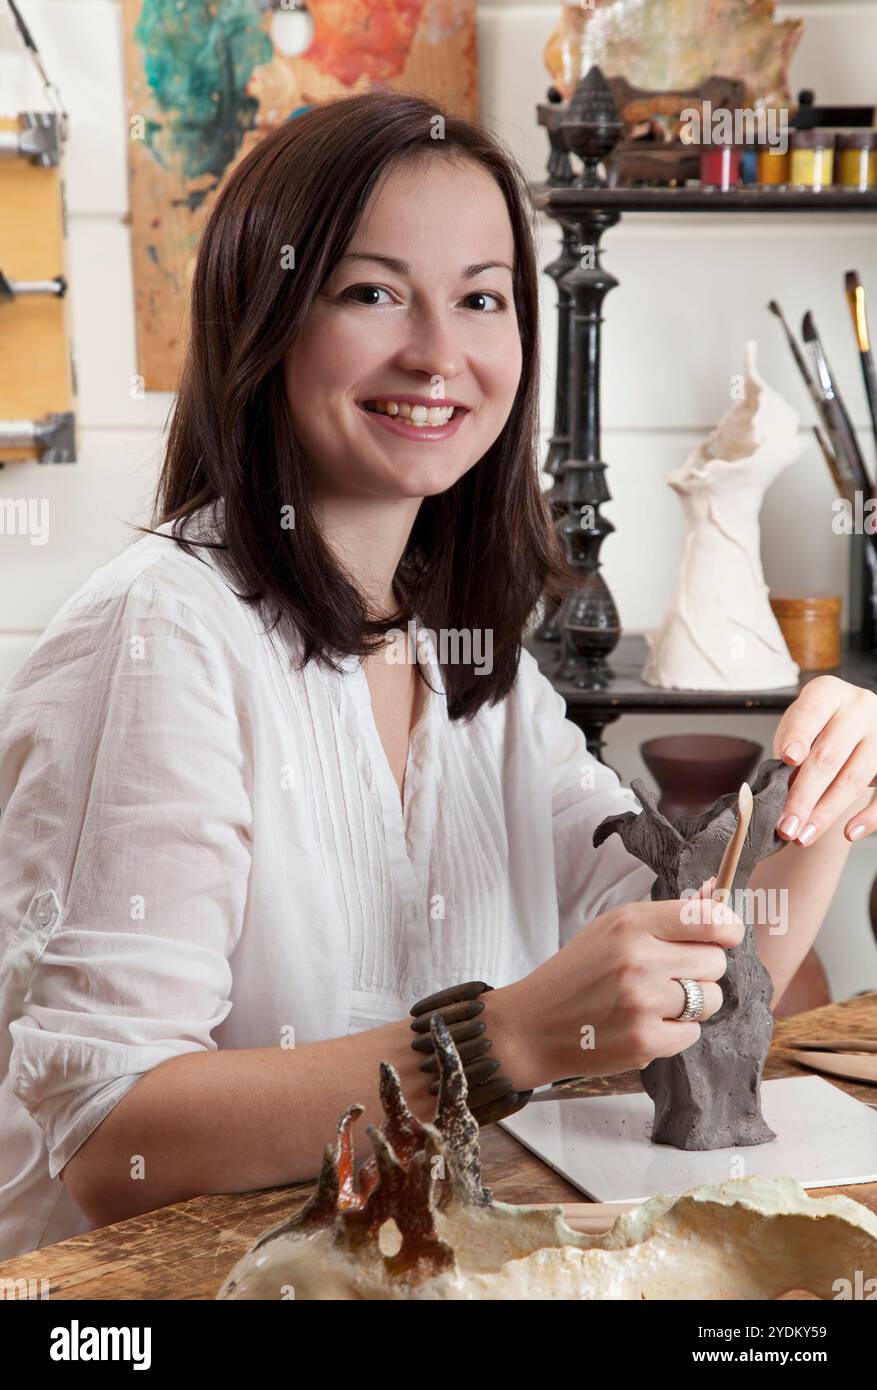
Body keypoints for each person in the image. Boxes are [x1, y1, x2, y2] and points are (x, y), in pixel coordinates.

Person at [0, 93, 874, 1261]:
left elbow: (696, 983)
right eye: (372, 292)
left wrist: (821, 803)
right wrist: (495, 1040)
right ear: (263, 318)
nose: (438, 352)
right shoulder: (162, 636)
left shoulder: (474, 664)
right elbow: (115, 1137)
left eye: (480, 298)